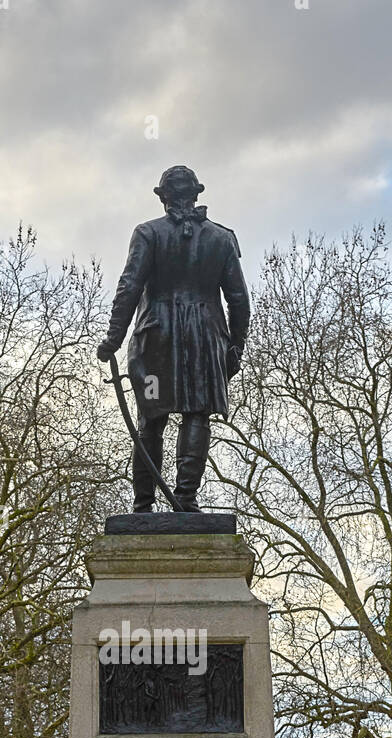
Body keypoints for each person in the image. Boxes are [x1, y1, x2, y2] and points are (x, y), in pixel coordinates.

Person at [97, 165, 251, 513]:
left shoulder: (147, 233)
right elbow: (239, 301)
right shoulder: (222, 238)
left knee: (151, 418)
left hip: (156, 340)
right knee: (197, 413)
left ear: (163, 197)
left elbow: (129, 287)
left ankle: (143, 506)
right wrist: (235, 347)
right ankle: (185, 499)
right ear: (196, 194)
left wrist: (114, 338)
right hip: (205, 339)